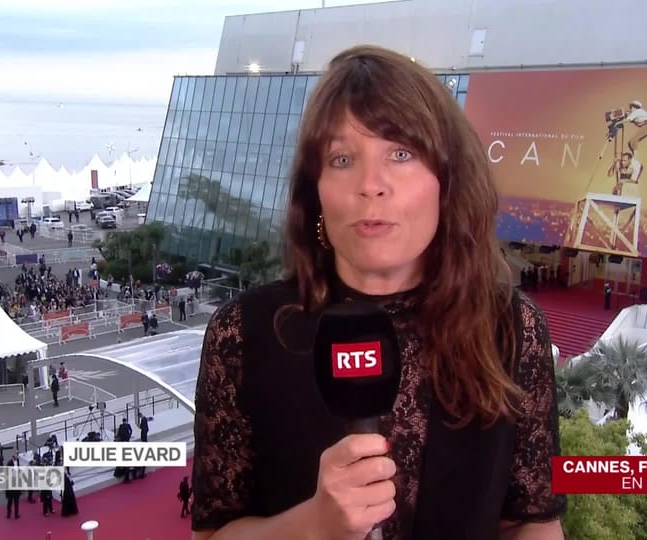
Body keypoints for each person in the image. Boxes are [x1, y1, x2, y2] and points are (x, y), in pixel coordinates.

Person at [190, 45, 565, 540]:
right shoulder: (243, 334)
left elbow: (533, 523)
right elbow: (213, 535)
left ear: (447, 180)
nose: (371, 185)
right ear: (316, 189)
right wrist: (314, 524)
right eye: (342, 158)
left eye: (401, 153)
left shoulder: (512, 329)